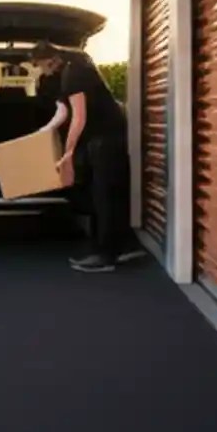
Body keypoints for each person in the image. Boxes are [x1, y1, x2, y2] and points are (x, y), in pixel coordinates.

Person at [31, 40, 144, 272]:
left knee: (104, 196)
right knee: (102, 193)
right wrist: (44, 132)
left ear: (50, 59)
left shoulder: (75, 72)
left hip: (107, 139)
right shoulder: (66, 72)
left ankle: (106, 256)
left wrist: (69, 153)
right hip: (99, 139)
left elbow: (79, 117)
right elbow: (63, 110)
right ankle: (125, 247)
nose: (40, 70)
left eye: (39, 65)